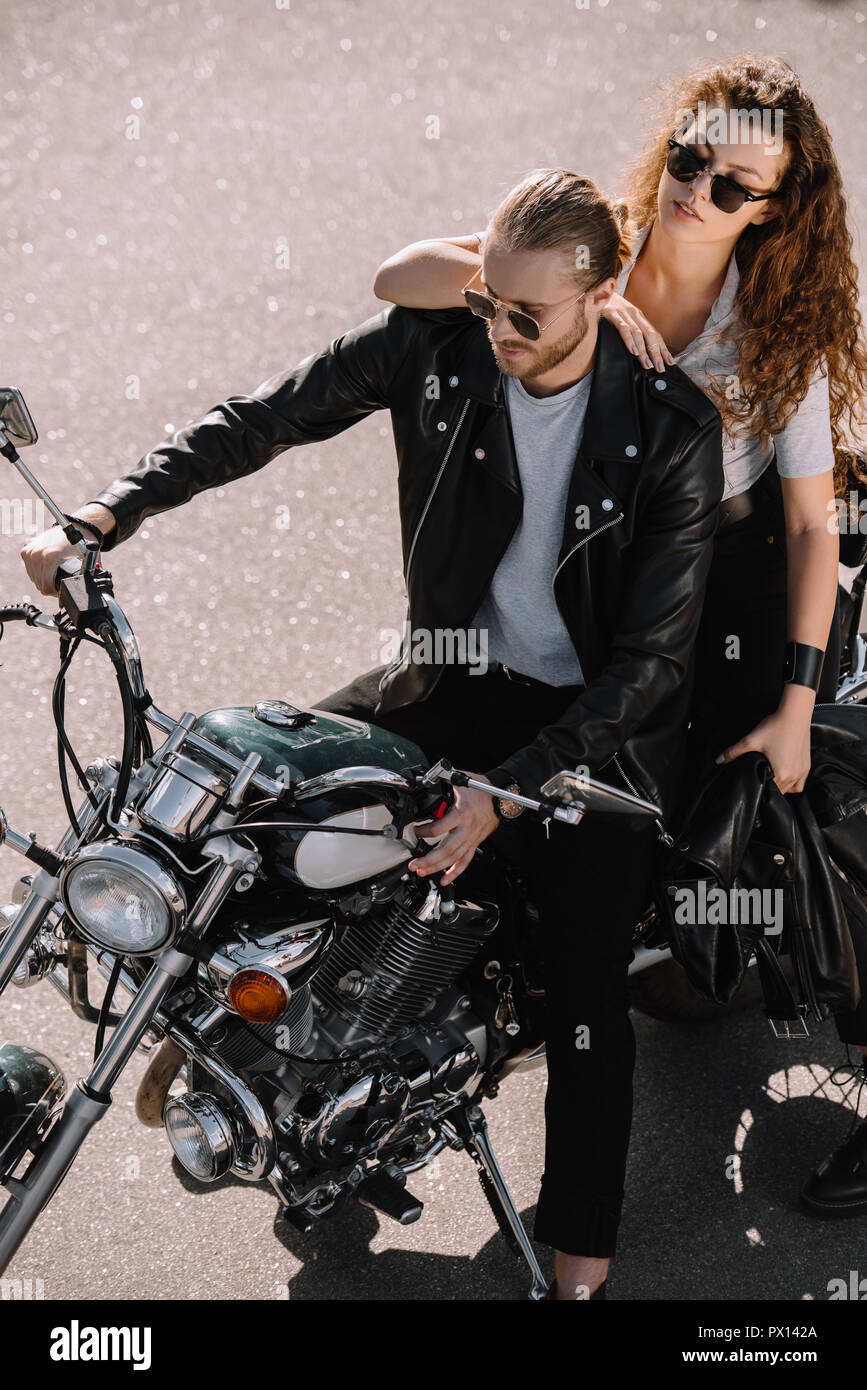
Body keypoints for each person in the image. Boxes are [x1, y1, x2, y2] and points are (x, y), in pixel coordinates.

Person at [20, 168, 724, 1299]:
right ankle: (304, 1086)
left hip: (597, 731)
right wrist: (110, 512)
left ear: (599, 296)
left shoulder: (668, 426)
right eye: (487, 296)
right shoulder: (439, 347)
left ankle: (584, 1247)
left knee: (590, 988)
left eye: (526, 313)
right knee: (265, 808)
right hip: (449, 677)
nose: (498, 327)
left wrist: (508, 790)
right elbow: (265, 416)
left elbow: (652, 667)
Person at [370, 54, 867, 1219]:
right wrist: (583, 305)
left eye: (737, 183)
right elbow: (396, 273)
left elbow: (807, 530)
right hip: (570, 591)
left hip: (715, 598)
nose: (701, 190)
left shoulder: (772, 335)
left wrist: (793, 700)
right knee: (391, 765)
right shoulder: (592, 245)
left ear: (778, 208)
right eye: (691, 158)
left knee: (796, 834)